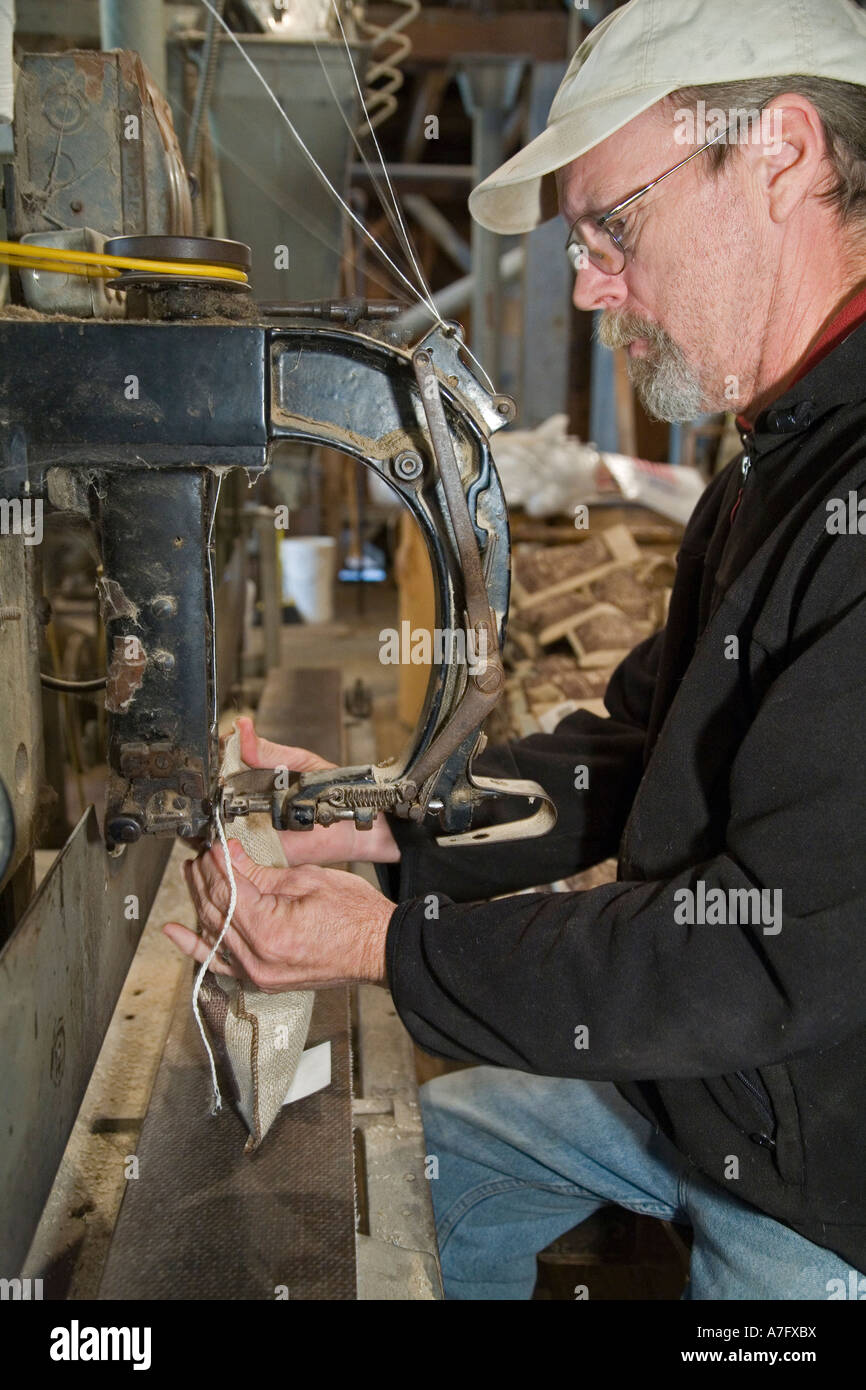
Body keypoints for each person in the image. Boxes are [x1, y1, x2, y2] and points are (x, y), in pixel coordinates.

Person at [164, 0, 866, 1299]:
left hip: (821, 1175)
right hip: (698, 1086)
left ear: (779, 153)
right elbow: (625, 757)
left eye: (615, 225)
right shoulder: (773, 462)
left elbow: (753, 958)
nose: (591, 278)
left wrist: (385, 947)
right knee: (404, 1175)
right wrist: (384, 822)